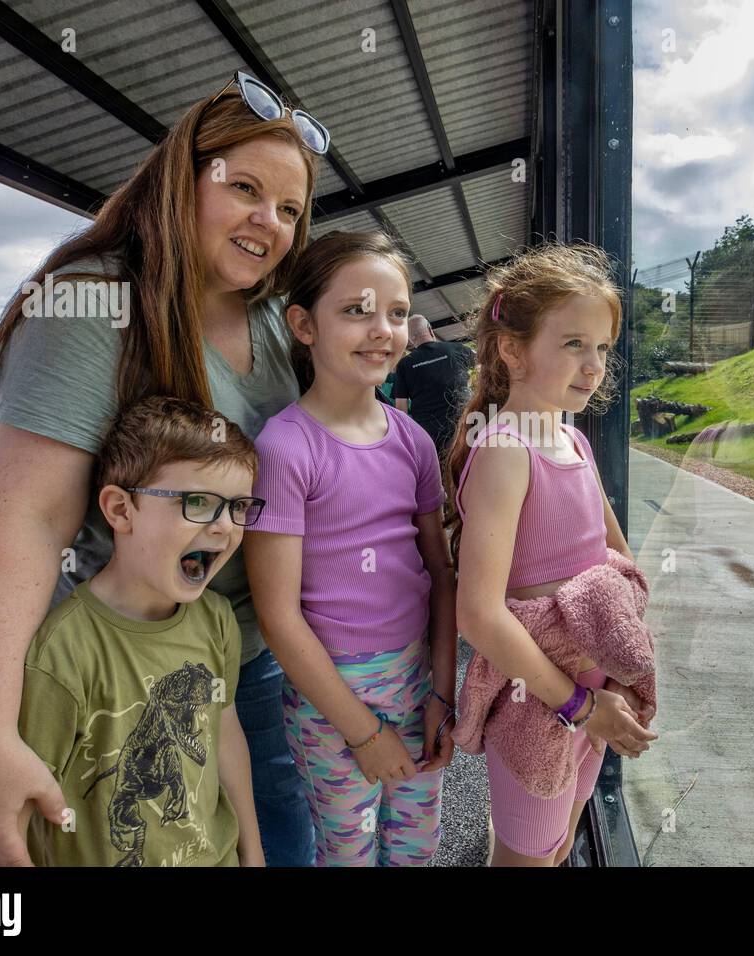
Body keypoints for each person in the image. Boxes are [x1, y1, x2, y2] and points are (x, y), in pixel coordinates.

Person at [0, 72, 323, 867]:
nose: (268, 222)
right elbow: (26, 520)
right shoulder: (93, 302)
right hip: (120, 663)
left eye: (289, 209)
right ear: (184, 179)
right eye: (243, 187)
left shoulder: (280, 321)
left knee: (271, 831)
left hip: (252, 652)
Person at [244, 231, 456, 866]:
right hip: (328, 701)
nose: (381, 330)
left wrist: (442, 695)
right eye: (356, 310)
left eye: (395, 312)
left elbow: (441, 573)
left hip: (418, 683)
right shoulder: (283, 450)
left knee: (418, 847)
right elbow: (278, 616)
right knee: (348, 852)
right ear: (304, 324)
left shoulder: (414, 442)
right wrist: (362, 734)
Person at [444, 243, 659, 867]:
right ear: (512, 349)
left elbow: (616, 558)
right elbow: (478, 615)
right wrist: (581, 704)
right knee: (527, 857)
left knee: (558, 842)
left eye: (601, 347)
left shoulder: (572, 438)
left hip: (596, 688)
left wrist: (616, 669)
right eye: (572, 344)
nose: (593, 366)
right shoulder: (507, 452)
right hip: (544, 701)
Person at [0, 397, 265, 867]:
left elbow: (224, 734)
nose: (225, 528)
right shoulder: (63, 650)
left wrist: (253, 851)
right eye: (198, 502)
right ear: (121, 510)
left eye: (239, 506)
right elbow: (17, 804)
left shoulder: (218, 620)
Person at [392, 314, 476, 462]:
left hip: (430, 439)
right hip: (465, 429)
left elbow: (401, 409)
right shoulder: (455, 349)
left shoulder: (405, 364)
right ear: (430, 329)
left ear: (411, 339)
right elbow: (484, 363)